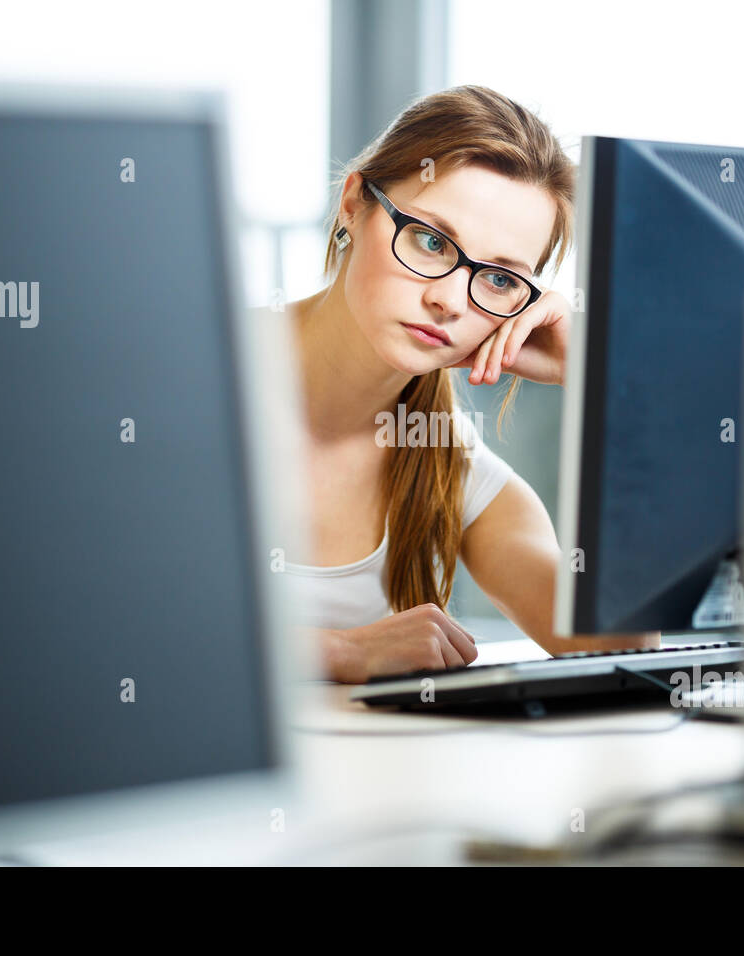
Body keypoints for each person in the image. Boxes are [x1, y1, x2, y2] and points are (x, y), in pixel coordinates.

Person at [274, 85, 658, 683]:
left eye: (501, 278)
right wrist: (345, 652)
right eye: (430, 241)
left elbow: (624, 647)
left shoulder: (447, 462)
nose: (449, 298)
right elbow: (92, 624)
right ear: (354, 202)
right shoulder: (189, 370)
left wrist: (607, 386)